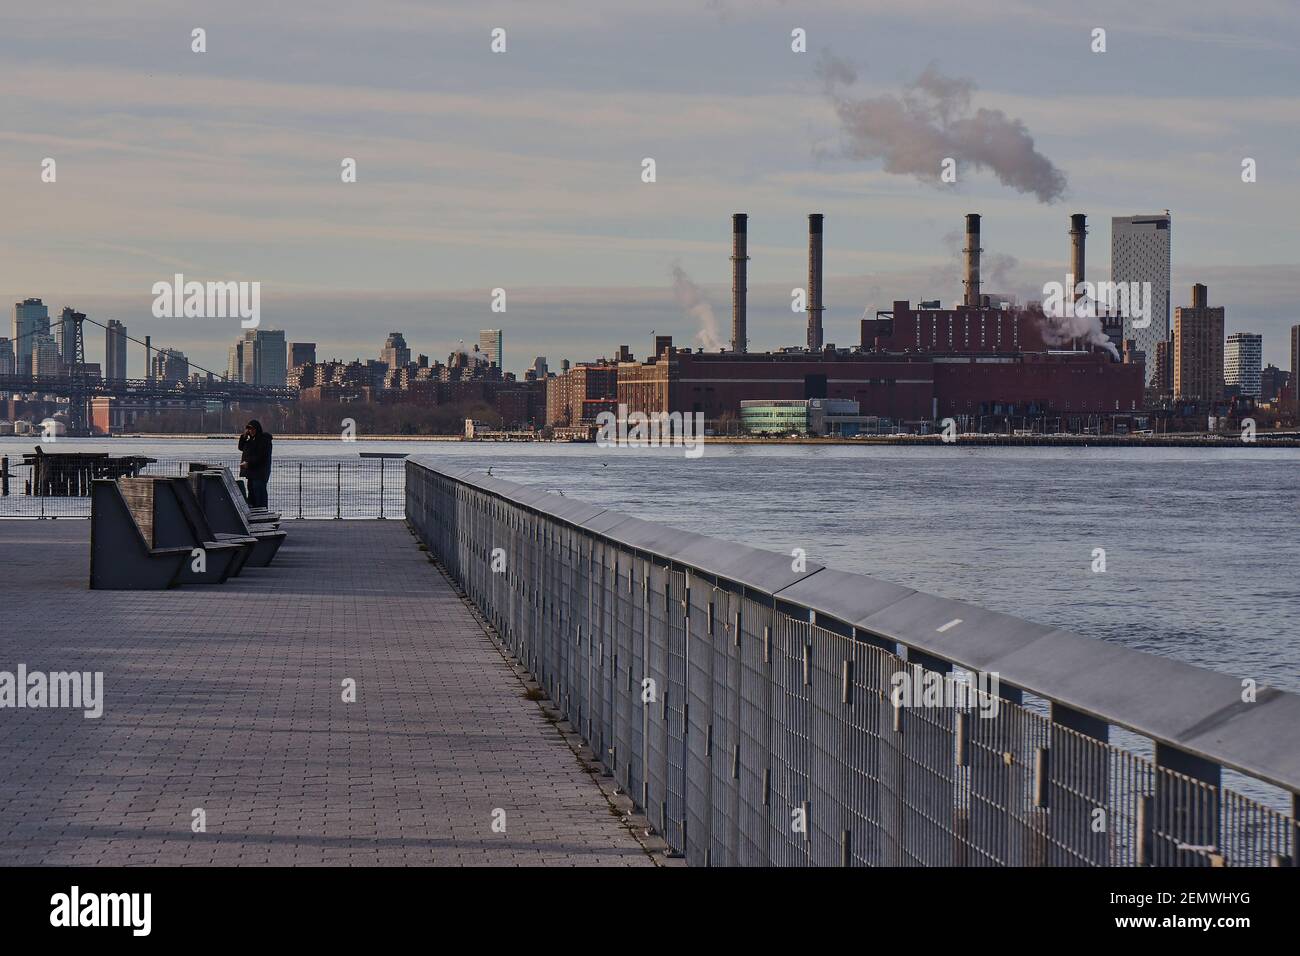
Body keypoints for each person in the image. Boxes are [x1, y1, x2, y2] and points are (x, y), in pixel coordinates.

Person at [237, 419, 273, 509]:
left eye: (252, 429)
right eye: (249, 429)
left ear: (257, 429)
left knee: (259, 495)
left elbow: (261, 457)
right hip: (252, 473)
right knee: (252, 495)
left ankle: (262, 512)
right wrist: (244, 436)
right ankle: (255, 511)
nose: (251, 431)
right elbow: (241, 447)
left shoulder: (264, 440)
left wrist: (248, 464)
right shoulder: (251, 441)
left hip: (260, 473)